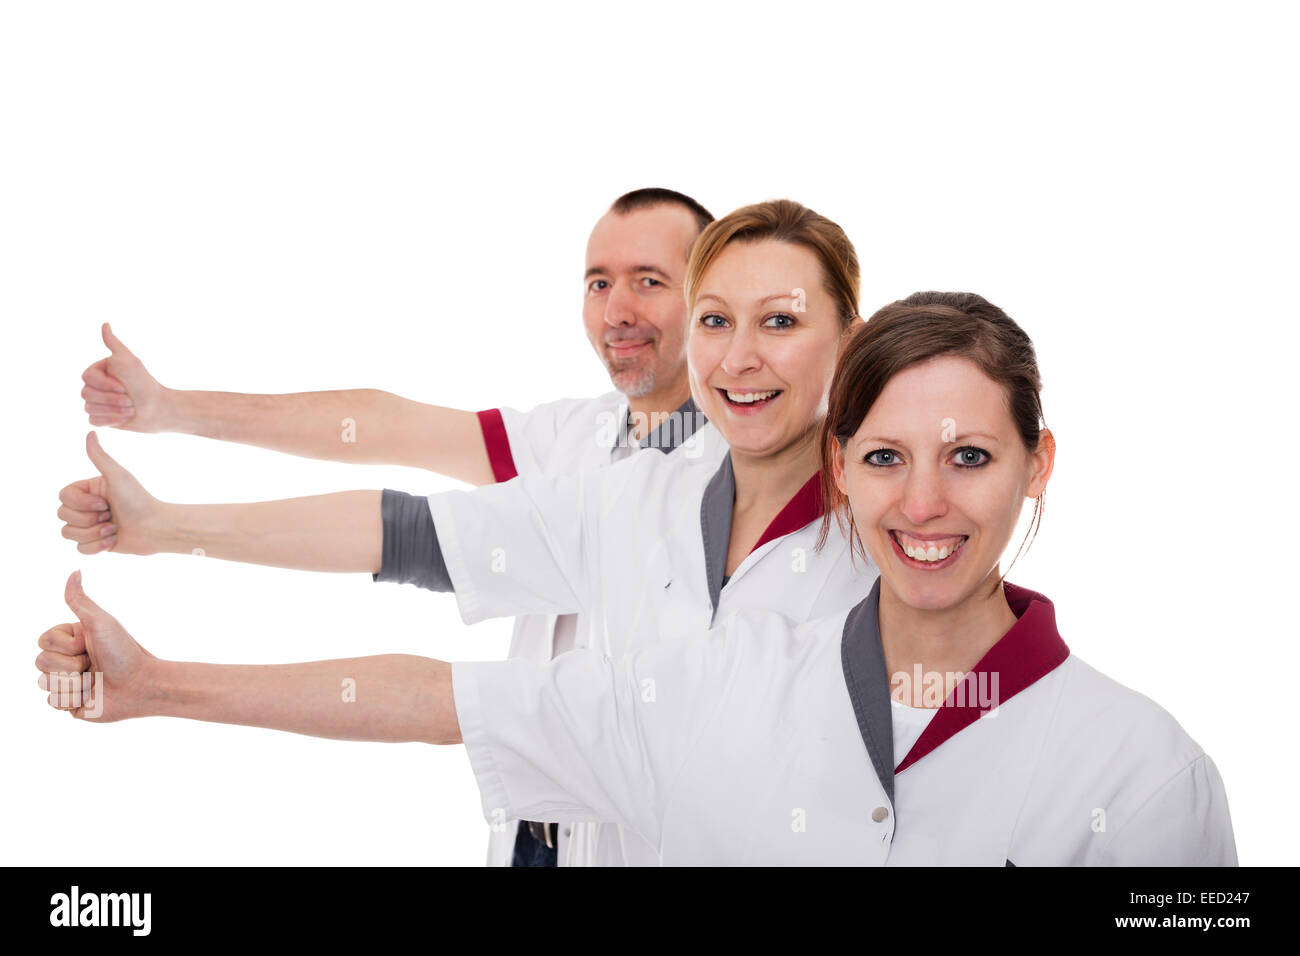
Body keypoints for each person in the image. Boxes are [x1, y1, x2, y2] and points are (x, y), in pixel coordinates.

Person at [40, 292, 1236, 864]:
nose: (923, 502)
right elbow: (436, 687)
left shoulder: (1143, 775)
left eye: (970, 457)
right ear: (843, 460)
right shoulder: (714, 677)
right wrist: (160, 682)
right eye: (886, 458)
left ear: (1038, 466)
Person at [54, 199, 880, 865]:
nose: (619, 308)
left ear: (848, 341)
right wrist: (167, 476)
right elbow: (393, 481)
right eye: (598, 281)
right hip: (547, 830)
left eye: (650, 280)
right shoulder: (595, 458)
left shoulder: (884, 528)